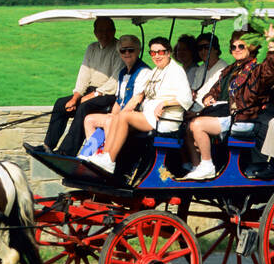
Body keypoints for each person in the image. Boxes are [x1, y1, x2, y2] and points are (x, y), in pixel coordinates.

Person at [181, 24, 274, 181]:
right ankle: (197, 166)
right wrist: (208, 98)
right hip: (226, 114)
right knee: (188, 124)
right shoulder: (230, 70)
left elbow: (270, 70)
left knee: (197, 125)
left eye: (241, 46)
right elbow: (214, 90)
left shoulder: (256, 69)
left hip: (245, 117)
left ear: (251, 47)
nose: (236, 49)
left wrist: (272, 46)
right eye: (233, 46)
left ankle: (208, 165)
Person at [82, 36, 192, 173]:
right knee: (110, 118)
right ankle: (97, 155)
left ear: (168, 52)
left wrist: (165, 103)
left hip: (165, 119)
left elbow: (187, 98)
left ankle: (109, 160)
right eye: (153, 53)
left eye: (161, 52)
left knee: (124, 117)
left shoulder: (176, 71)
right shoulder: (155, 71)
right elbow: (139, 95)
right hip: (149, 115)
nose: (157, 56)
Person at [43, 16, 123, 153]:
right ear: (95, 32)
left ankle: (66, 151)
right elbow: (84, 75)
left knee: (84, 107)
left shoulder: (119, 49)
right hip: (91, 92)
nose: (104, 34)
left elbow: (114, 82)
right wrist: (75, 98)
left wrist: (92, 95)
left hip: (108, 94)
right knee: (61, 103)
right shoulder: (92, 48)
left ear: (114, 31)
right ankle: (47, 146)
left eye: (108, 31)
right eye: (100, 31)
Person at [188, 31, 228, 113]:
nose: (203, 51)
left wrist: (196, 113)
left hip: (210, 110)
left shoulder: (223, 69)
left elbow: (217, 99)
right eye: (200, 48)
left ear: (216, 49)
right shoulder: (201, 69)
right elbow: (194, 91)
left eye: (206, 47)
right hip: (195, 107)